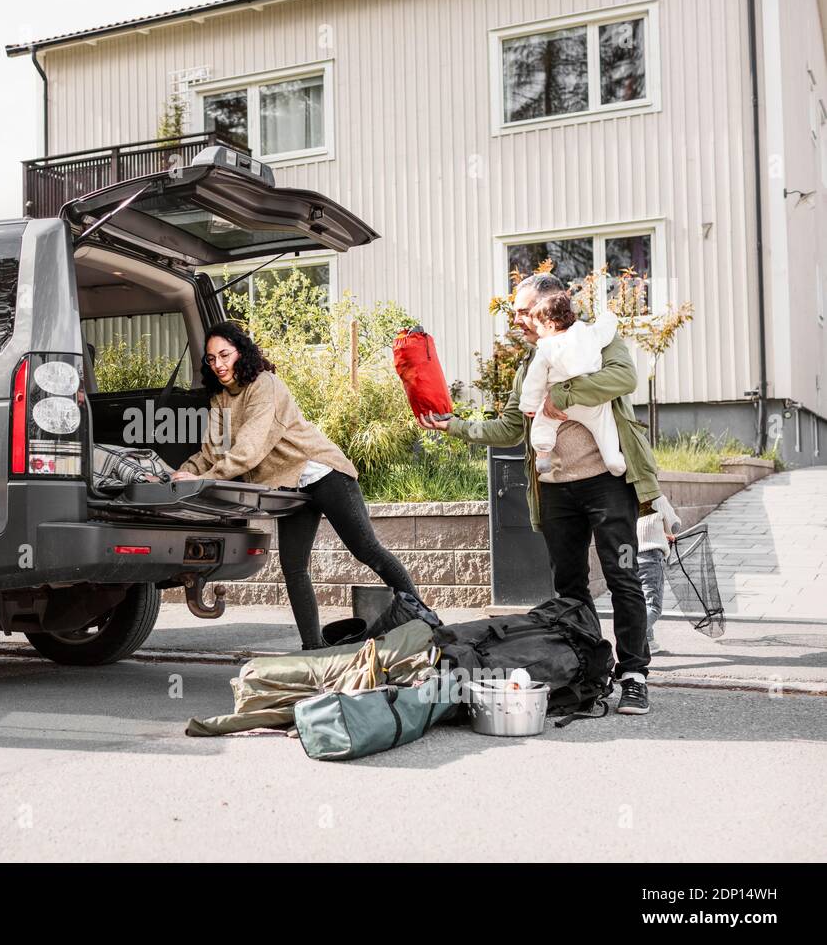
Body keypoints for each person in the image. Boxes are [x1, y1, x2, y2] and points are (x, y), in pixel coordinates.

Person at [417, 273, 661, 715]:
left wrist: (561, 395)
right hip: (554, 493)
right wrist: (453, 425)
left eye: (523, 311)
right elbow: (511, 427)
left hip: (608, 484)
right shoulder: (528, 365)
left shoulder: (600, 340)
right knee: (569, 587)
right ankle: (588, 669)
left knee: (623, 578)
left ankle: (634, 675)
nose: (516, 319)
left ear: (549, 305)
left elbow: (623, 378)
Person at [173, 321, 418, 650]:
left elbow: (249, 450)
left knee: (366, 550)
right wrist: (179, 476)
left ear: (241, 353)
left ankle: (424, 619)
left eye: (224, 355)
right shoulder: (220, 399)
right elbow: (211, 453)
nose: (218, 364)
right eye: (211, 358)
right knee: (293, 568)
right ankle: (313, 649)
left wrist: (204, 479)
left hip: (323, 474)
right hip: (290, 487)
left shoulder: (264, 385)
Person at [519, 300, 624, 477]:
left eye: (538, 327)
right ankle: (613, 459)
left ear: (550, 325)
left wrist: (529, 405)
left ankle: (543, 455)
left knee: (543, 422)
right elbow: (605, 330)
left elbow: (534, 380)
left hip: (559, 405)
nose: (537, 332)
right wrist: (609, 316)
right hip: (590, 399)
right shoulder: (589, 335)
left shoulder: (546, 349)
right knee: (605, 426)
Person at [638, 493, 682, 655]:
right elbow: (674, 526)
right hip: (650, 555)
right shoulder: (657, 498)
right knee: (653, 606)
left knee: (640, 601)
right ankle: (631, 637)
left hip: (628, 555)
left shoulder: (626, 496)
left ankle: (648, 641)